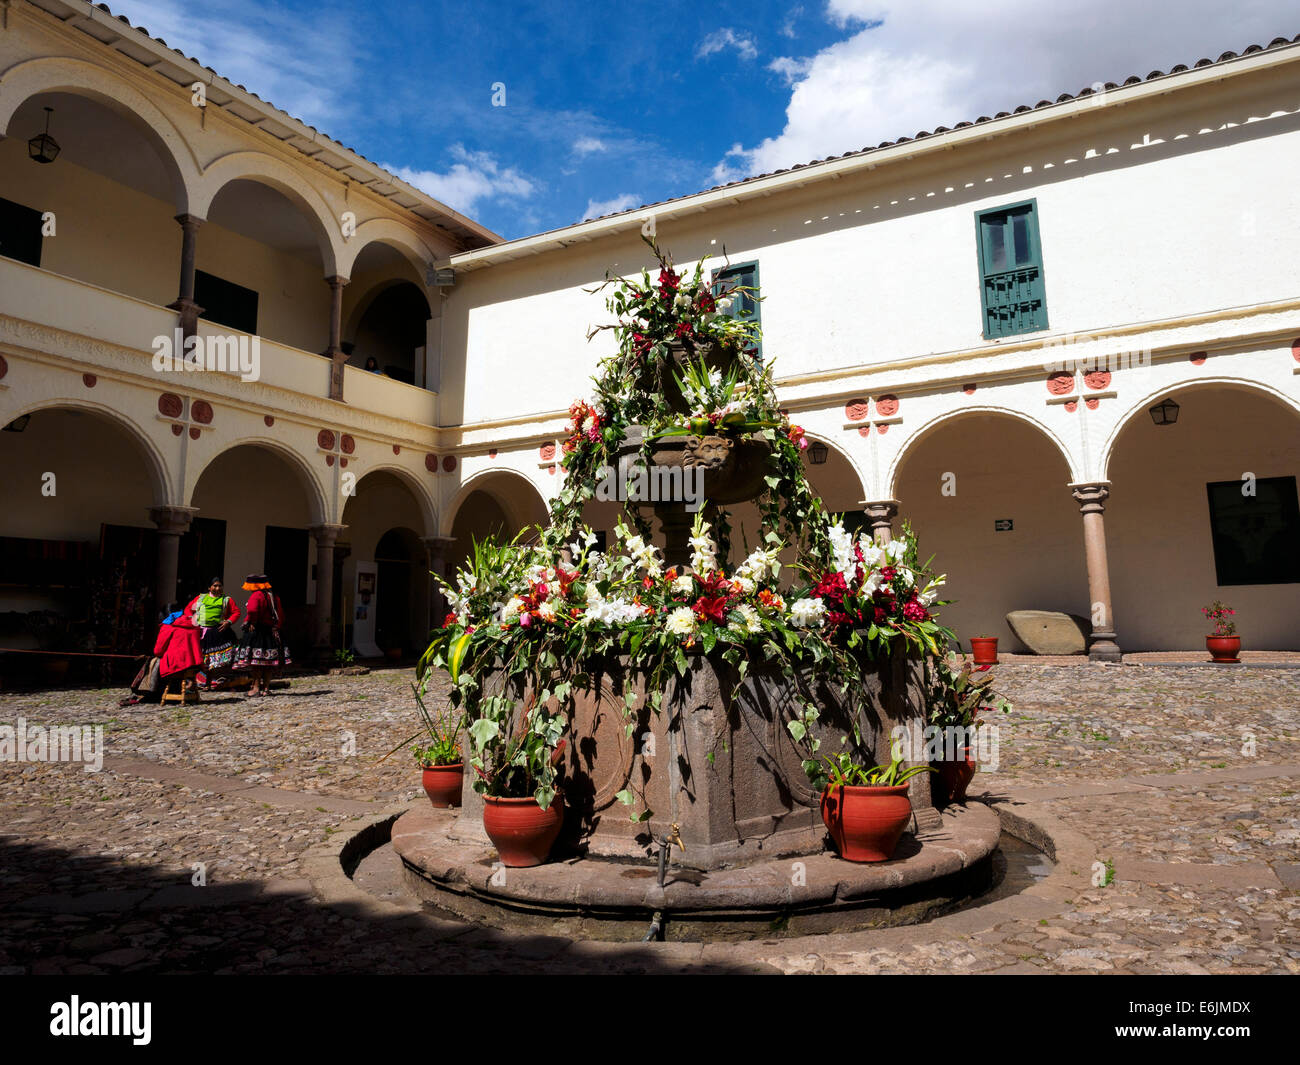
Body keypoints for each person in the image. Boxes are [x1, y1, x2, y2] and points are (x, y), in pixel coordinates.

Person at [233, 573, 291, 696]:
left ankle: (255, 688)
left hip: (258, 632)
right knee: (268, 662)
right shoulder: (274, 596)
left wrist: (252, 622)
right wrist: (277, 627)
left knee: (257, 662)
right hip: (271, 632)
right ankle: (266, 688)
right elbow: (281, 615)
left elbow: (252, 610)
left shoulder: (256, 595)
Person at [185, 577, 241, 688]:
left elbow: (236, 612)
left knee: (211, 661)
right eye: (215, 585)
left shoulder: (226, 600)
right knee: (199, 658)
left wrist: (228, 622)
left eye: (220, 585)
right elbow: (188, 609)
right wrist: (192, 620)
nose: (217, 588)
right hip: (201, 632)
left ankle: (208, 683)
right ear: (209, 587)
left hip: (217, 632)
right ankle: (193, 681)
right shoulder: (200, 598)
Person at [151, 606, 203, 695]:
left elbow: (158, 651)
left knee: (154, 663)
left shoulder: (168, 626)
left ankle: (152, 692)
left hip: (176, 665)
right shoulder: (195, 625)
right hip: (194, 664)